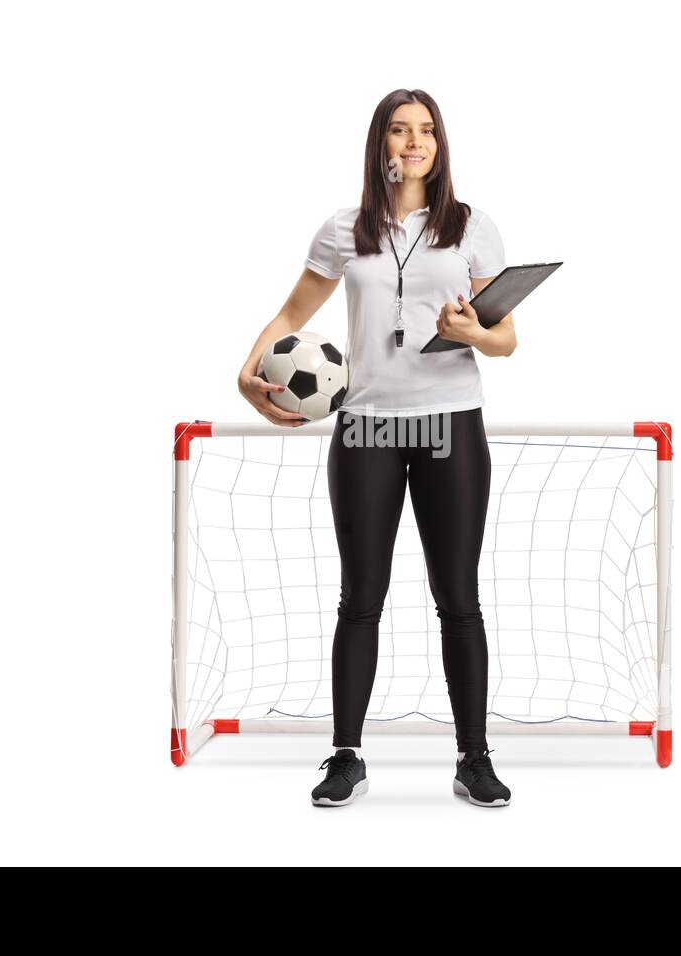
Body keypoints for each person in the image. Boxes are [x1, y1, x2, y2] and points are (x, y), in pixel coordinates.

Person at [236, 89, 517, 808]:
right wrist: (247, 371)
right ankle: (345, 756)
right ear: (380, 144)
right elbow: (291, 315)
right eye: (399, 130)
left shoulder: (471, 228)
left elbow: (504, 339)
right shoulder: (344, 229)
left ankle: (474, 758)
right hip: (367, 428)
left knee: (458, 598)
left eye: (425, 131)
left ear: (440, 145)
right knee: (360, 598)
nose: (413, 142)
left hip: (450, 421)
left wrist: (471, 334)